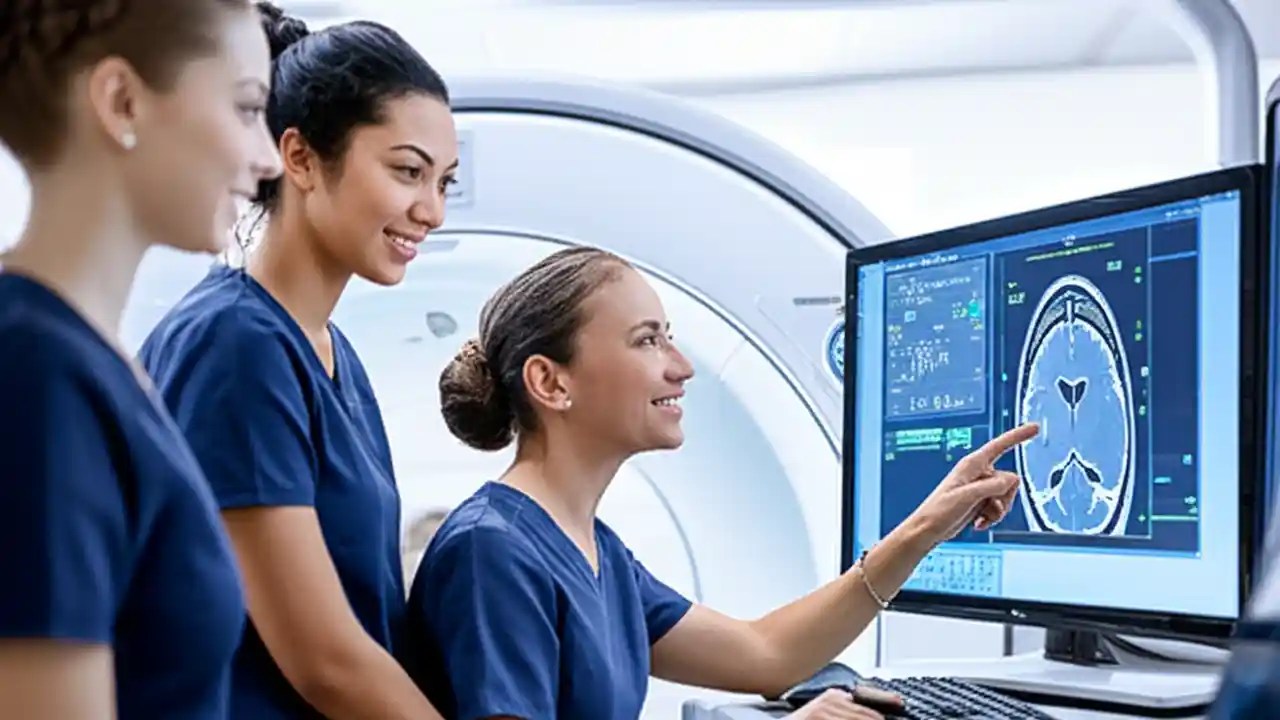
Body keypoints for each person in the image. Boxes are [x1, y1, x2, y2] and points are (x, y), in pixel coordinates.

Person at [402, 246, 1039, 720]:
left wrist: (925, 529)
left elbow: (766, 654)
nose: (681, 367)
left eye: (670, 339)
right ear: (551, 382)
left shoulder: (597, 552)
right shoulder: (493, 554)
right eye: (647, 341)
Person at [137, 3, 456, 718]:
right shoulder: (234, 347)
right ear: (301, 157)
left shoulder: (332, 354)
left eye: (445, 183)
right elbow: (325, 661)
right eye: (408, 171)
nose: (432, 210)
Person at [0, 1, 281, 718]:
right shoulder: (38, 376)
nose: (269, 157)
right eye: (248, 109)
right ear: (122, 100)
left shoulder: (84, 356)